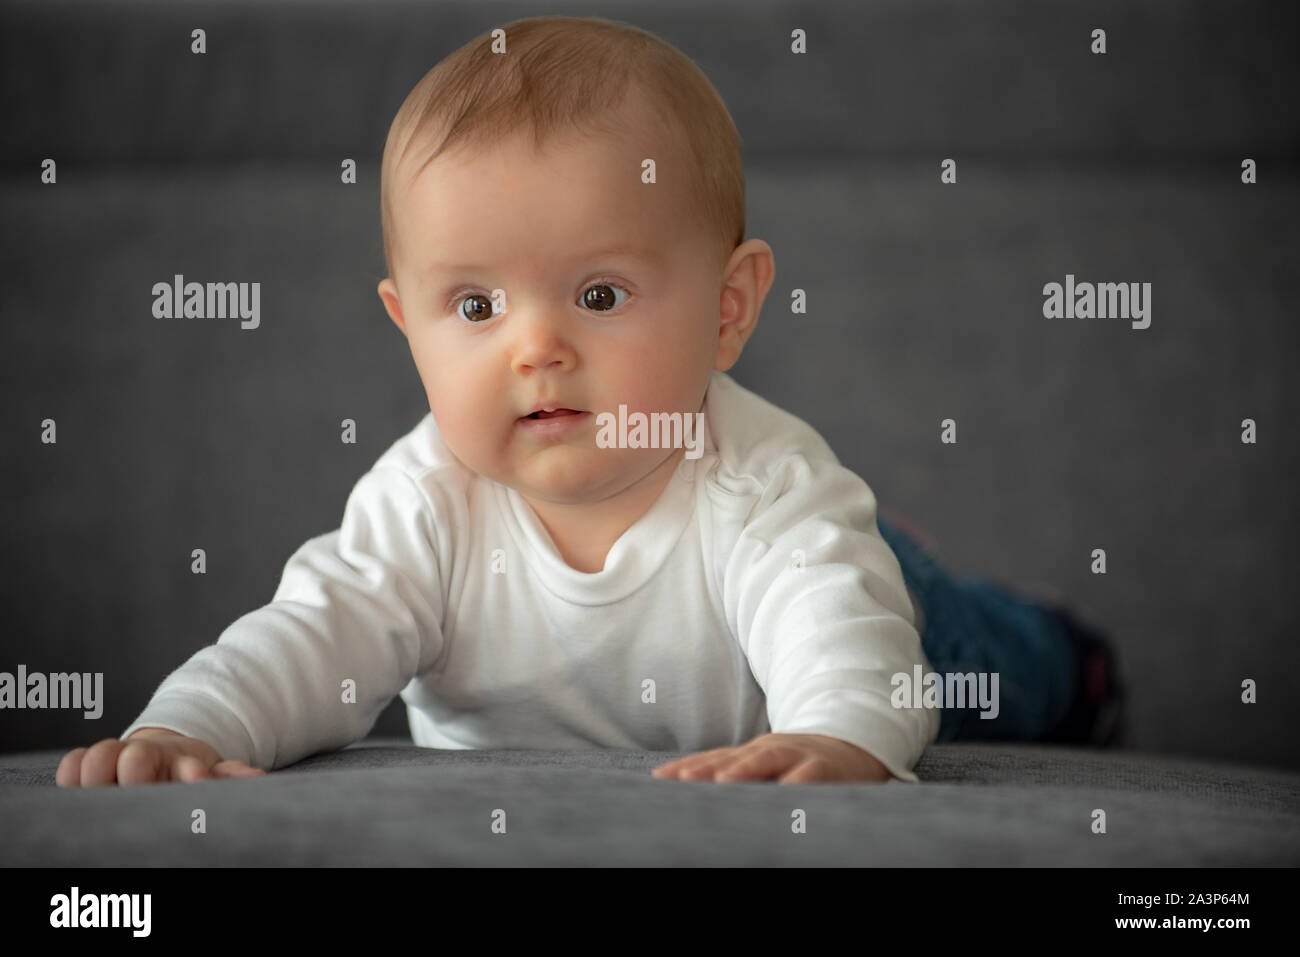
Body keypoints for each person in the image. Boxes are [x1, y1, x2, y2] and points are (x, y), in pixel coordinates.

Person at [57, 15, 1122, 790]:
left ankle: (1067, 657)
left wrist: (841, 735)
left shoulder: (758, 483)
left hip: (878, 596)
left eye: (599, 294)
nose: (536, 348)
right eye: (473, 304)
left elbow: (840, 640)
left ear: (727, 308)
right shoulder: (426, 504)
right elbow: (312, 634)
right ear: (405, 324)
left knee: (960, 652)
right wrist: (190, 725)